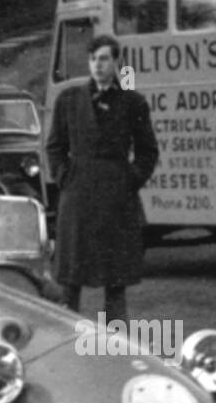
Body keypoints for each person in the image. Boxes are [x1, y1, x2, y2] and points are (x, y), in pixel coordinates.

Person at [45, 34, 159, 323]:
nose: (98, 65)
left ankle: (116, 341)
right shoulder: (69, 100)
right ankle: (66, 337)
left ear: (117, 62)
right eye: (93, 59)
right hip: (77, 197)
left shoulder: (133, 102)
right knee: (71, 278)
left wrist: (129, 179)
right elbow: (54, 146)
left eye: (105, 58)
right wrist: (65, 177)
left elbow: (148, 151)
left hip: (116, 199)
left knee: (115, 279)